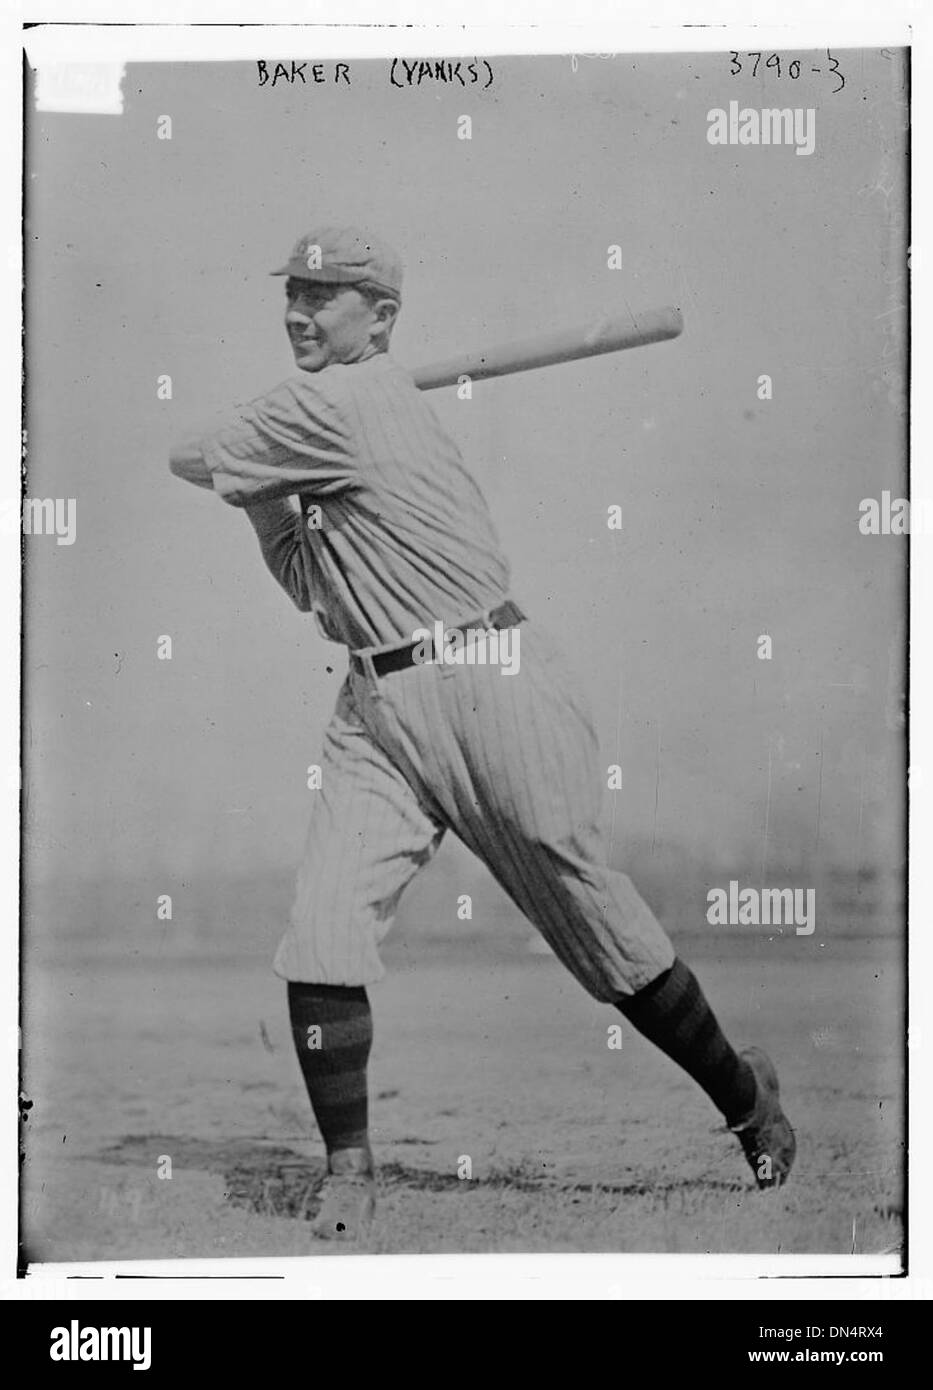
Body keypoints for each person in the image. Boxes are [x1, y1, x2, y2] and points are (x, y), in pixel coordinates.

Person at [169, 225, 795, 1241]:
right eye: (294, 291)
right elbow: (306, 588)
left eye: (328, 296)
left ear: (383, 319)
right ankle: (350, 1170)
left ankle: (746, 1099)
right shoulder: (327, 419)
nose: (300, 310)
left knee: (599, 931)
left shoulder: (341, 405)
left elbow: (185, 451)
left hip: (488, 676)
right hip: (376, 703)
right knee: (323, 929)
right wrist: (269, 494)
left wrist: (248, 453)